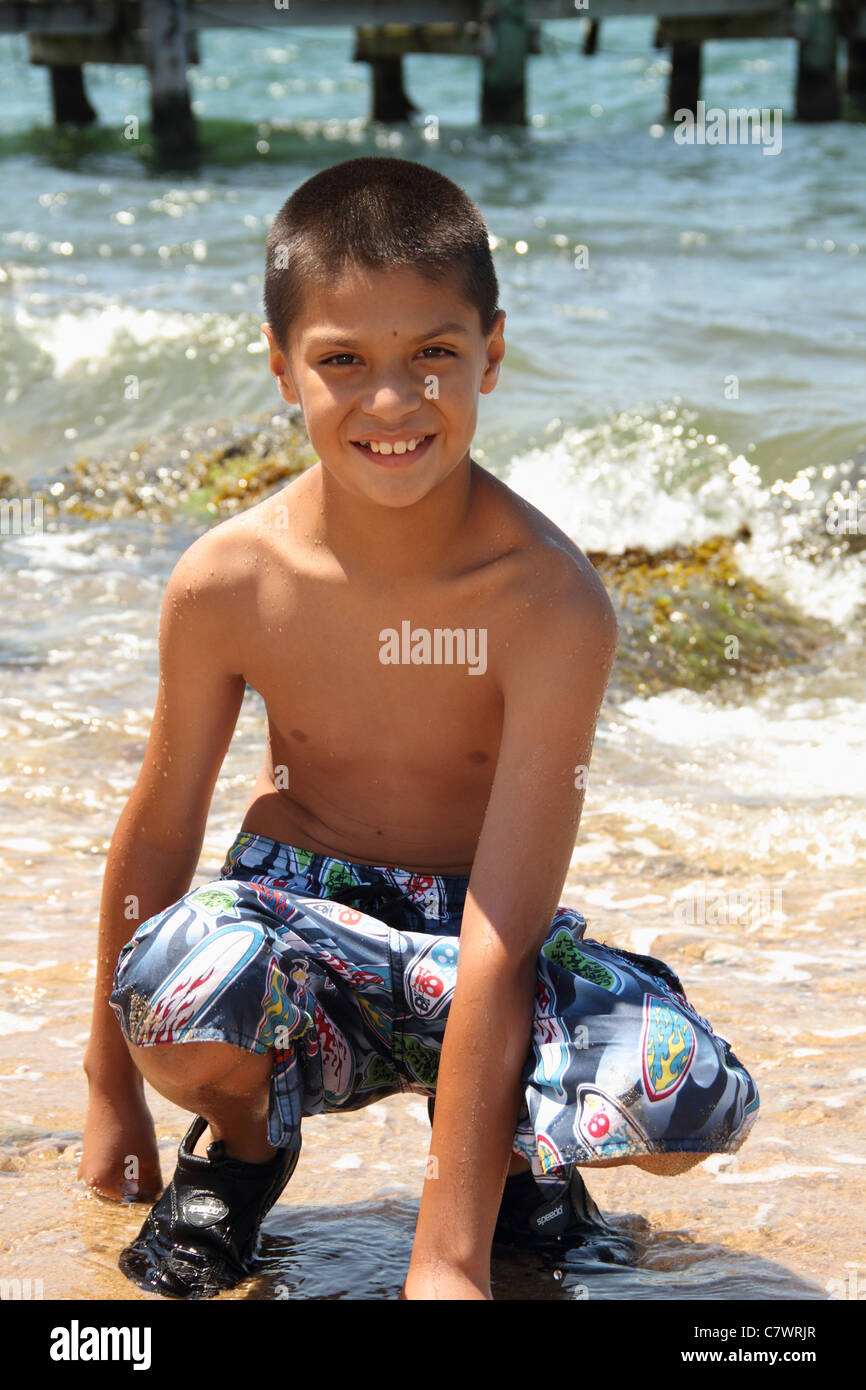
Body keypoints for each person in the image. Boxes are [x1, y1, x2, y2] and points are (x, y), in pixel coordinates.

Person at [79, 156, 759, 1302]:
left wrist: (443, 1258)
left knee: (682, 1097)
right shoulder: (227, 581)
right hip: (300, 928)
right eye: (341, 361)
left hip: (485, 936)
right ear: (280, 364)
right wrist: (109, 1093)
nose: (390, 403)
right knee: (186, 983)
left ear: (491, 352)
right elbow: (158, 833)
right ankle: (244, 1149)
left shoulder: (547, 602)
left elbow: (502, 924)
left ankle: (501, 1166)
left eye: (431, 357)